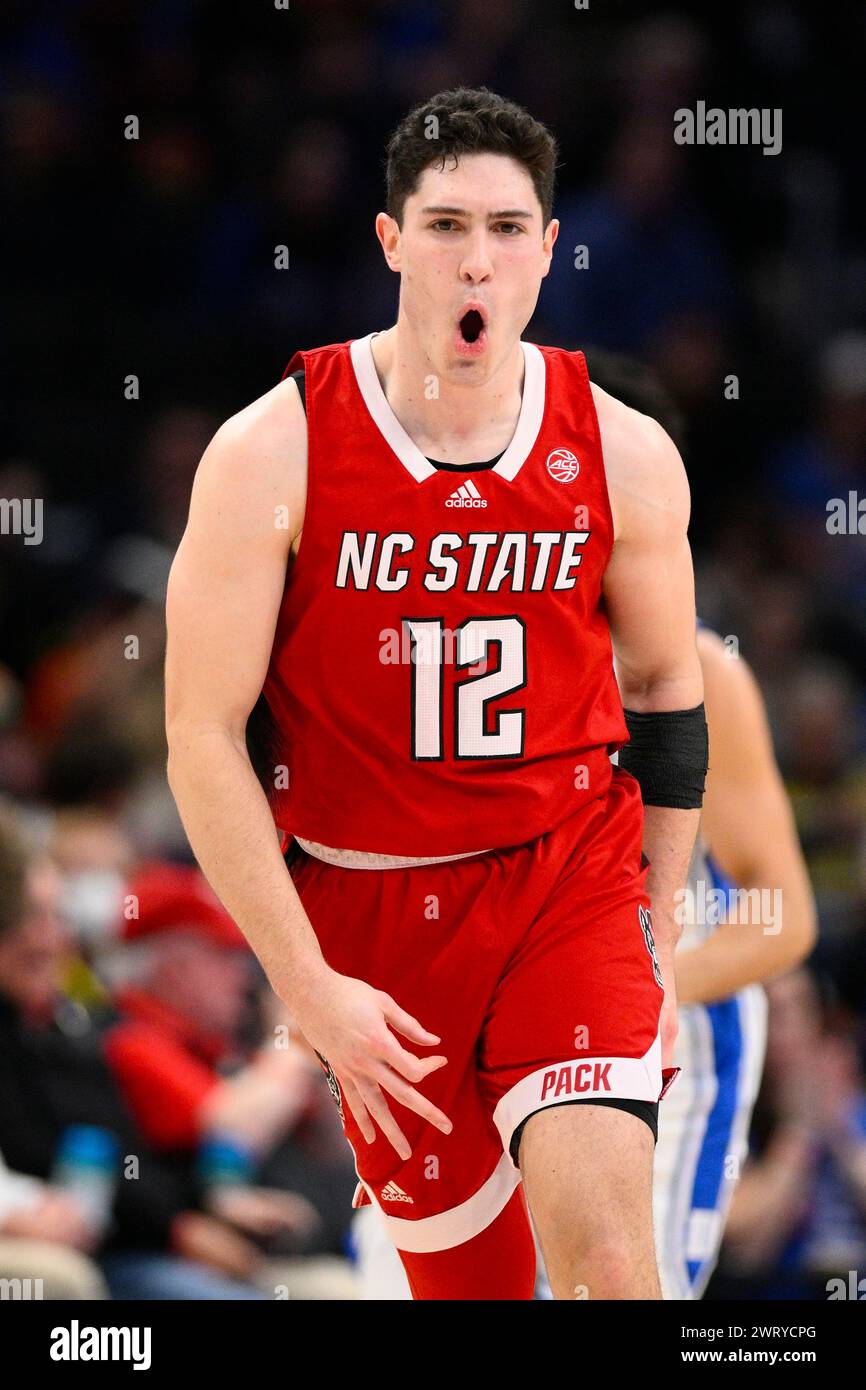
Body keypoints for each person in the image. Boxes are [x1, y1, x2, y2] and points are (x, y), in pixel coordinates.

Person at [165, 87, 708, 1300]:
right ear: (389, 240)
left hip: (566, 873)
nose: (479, 257)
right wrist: (300, 983)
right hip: (369, 915)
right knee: (474, 1292)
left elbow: (669, 694)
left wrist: (653, 927)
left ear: (549, 247)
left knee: (614, 1265)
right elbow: (199, 737)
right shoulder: (274, 448)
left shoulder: (620, 448)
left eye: (508, 228)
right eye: (448, 223)